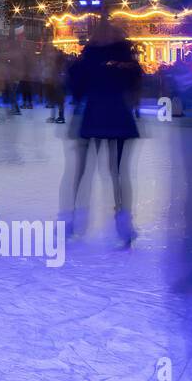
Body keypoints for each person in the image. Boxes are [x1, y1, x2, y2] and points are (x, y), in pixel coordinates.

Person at [62, 19, 143, 245]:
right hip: (118, 116)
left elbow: (75, 87)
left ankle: (75, 218)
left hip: (93, 115)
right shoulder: (126, 58)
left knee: (82, 170)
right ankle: (123, 220)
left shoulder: (88, 58)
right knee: (117, 172)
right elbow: (135, 83)